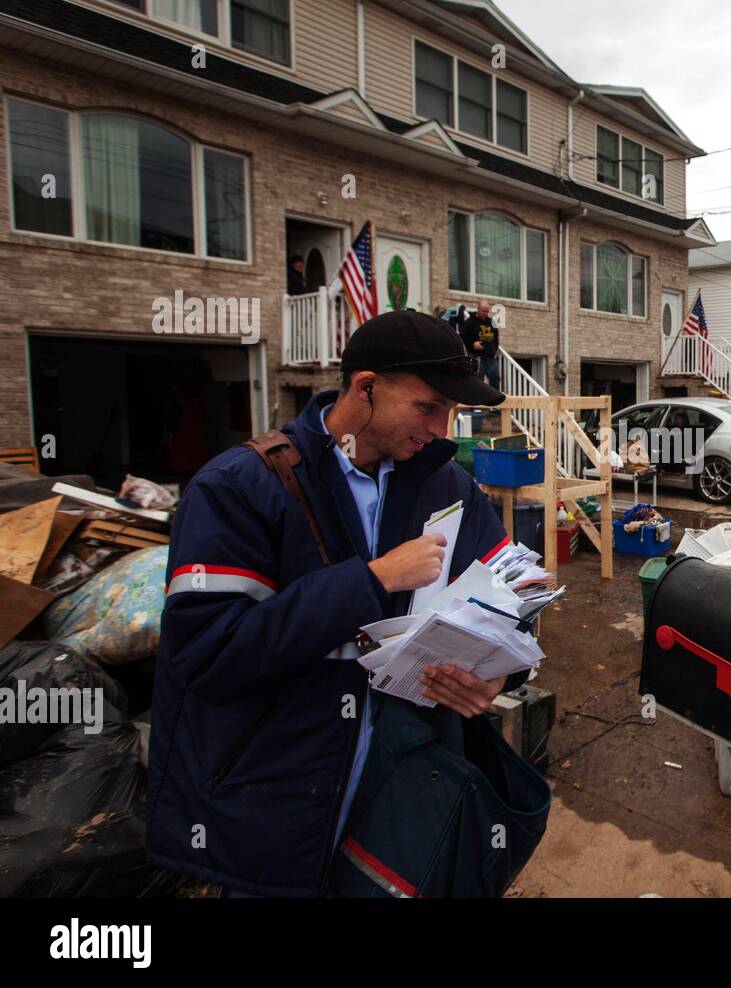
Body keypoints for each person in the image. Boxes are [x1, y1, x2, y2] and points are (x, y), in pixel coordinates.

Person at [147, 310, 528, 897]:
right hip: (274, 801)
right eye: (428, 407)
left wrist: (499, 674)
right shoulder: (238, 488)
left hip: (399, 793)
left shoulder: (444, 483)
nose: (440, 427)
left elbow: (514, 590)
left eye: (451, 411)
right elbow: (208, 656)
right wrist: (372, 580)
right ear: (366, 387)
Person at [456, 298, 501, 391]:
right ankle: (476, 404)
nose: (485, 313)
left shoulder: (491, 322)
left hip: (489, 357)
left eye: (487, 311)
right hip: (475, 356)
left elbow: (496, 337)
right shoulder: (470, 322)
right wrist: (473, 344)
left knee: (495, 379)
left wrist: (494, 349)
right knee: (477, 381)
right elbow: (463, 337)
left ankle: (495, 403)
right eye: (483, 311)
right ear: (478, 309)